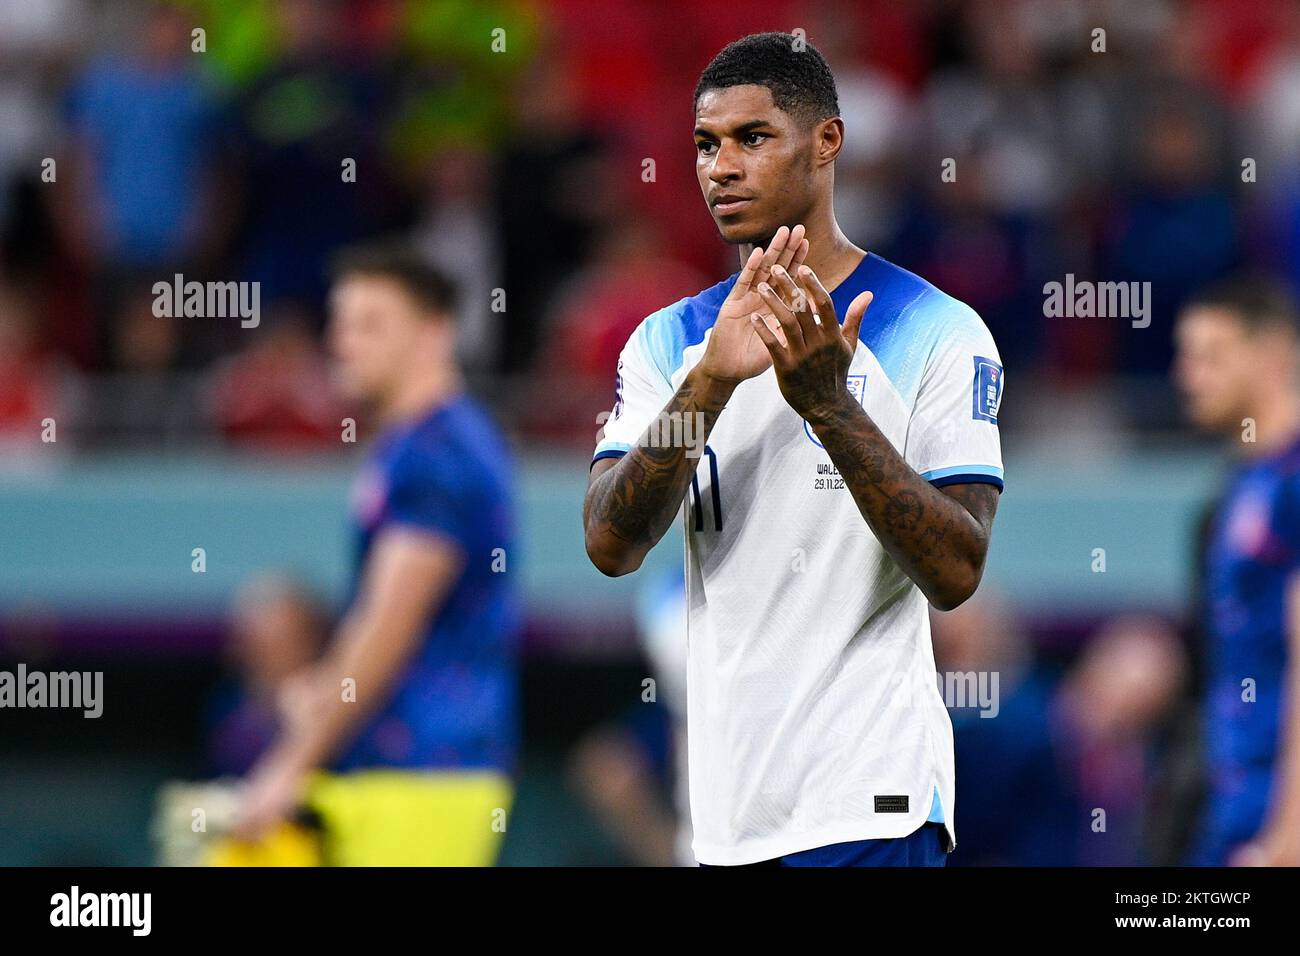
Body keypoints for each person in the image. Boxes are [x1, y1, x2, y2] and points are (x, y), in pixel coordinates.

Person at [582, 33, 1005, 867]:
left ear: (827, 143)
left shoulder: (938, 331)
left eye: (752, 137)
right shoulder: (667, 343)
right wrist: (709, 385)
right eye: (706, 145)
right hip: (725, 819)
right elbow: (609, 544)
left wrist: (827, 405)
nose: (721, 168)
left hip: (871, 807)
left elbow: (957, 571)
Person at [231, 242, 521, 866]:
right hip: (408, 777)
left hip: (424, 781)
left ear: (434, 334)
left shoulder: (436, 453)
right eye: (338, 322)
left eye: (370, 324)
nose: (343, 341)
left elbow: (387, 627)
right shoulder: (410, 445)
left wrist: (286, 767)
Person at [1173, 275, 1300, 866]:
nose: (1188, 377)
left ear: (1272, 355)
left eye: (1210, 357)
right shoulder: (1234, 490)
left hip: (1276, 823)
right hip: (1232, 809)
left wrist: (1285, 840)